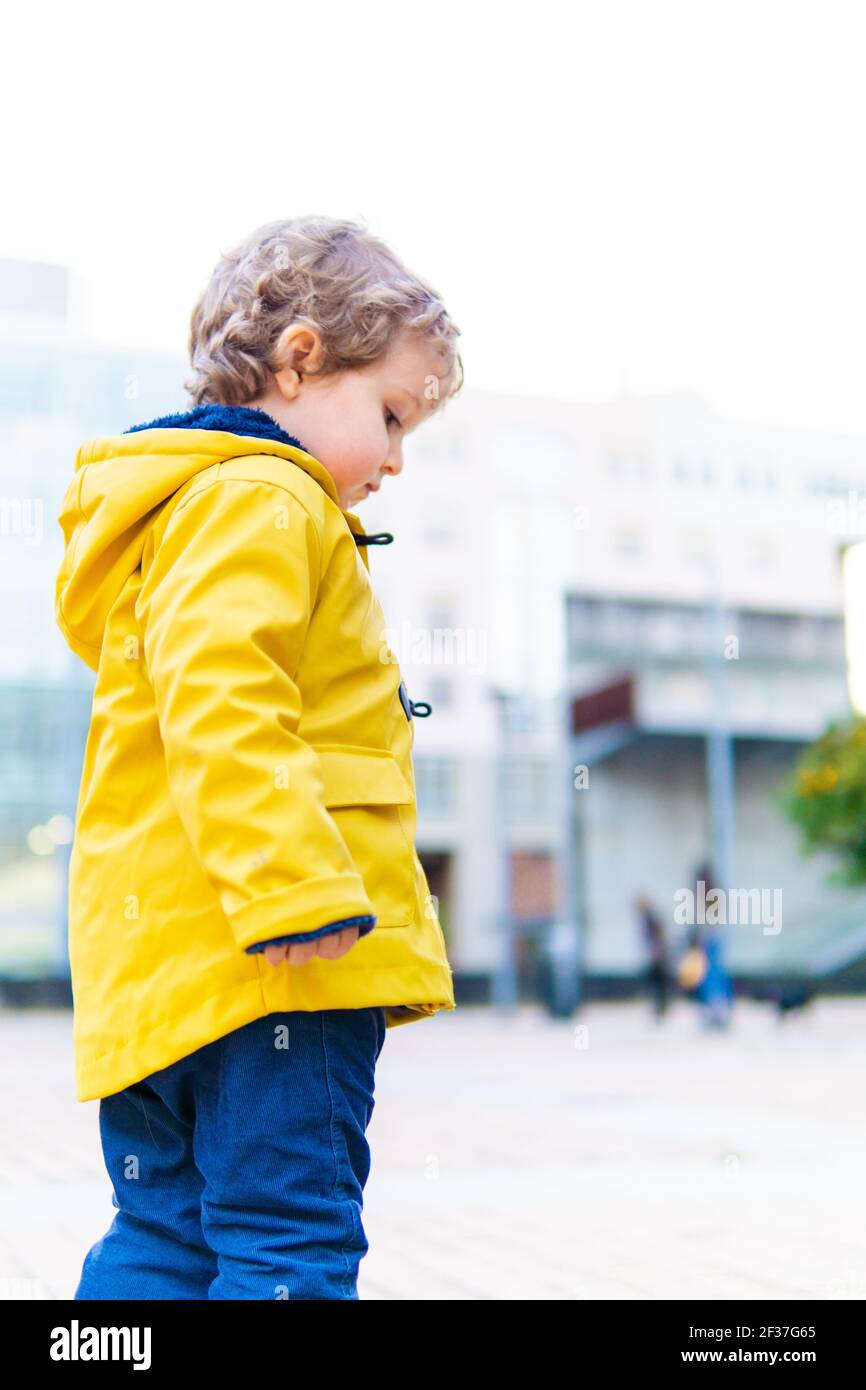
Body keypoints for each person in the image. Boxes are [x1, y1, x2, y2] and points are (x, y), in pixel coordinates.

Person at [54, 216, 462, 1300]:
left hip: (168, 973)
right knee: (287, 1239)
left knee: (164, 1232)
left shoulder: (176, 512)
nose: (393, 460)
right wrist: (289, 889)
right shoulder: (266, 498)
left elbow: (192, 707)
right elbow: (227, 702)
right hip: (281, 957)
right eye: (389, 416)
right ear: (300, 357)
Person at [634, 894, 671, 1018]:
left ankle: (661, 1008)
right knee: (657, 984)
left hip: (657, 956)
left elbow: (658, 937)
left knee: (658, 983)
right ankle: (660, 1008)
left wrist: (658, 954)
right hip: (657, 955)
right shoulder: (648, 918)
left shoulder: (650, 918)